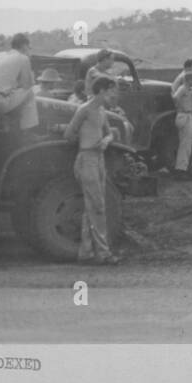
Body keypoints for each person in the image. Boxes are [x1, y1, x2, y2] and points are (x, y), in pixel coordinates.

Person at [63, 76, 120, 264]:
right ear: (102, 91)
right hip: (87, 159)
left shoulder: (101, 110)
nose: (114, 94)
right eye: (111, 90)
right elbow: (68, 134)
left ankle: (86, 252)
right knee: (97, 206)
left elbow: (109, 132)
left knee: (93, 207)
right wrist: (85, 144)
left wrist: (106, 140)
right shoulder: (84, 110)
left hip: (99, 159)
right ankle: (103, 253)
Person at [0, 33, 38, 133]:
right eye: (29, 48)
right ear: (24, 46)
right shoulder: (23, 58)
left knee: (4, 93)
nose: (29, 51)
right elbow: (27, 85)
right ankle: (28, 133)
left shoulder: (0, 55)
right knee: (29, 92)